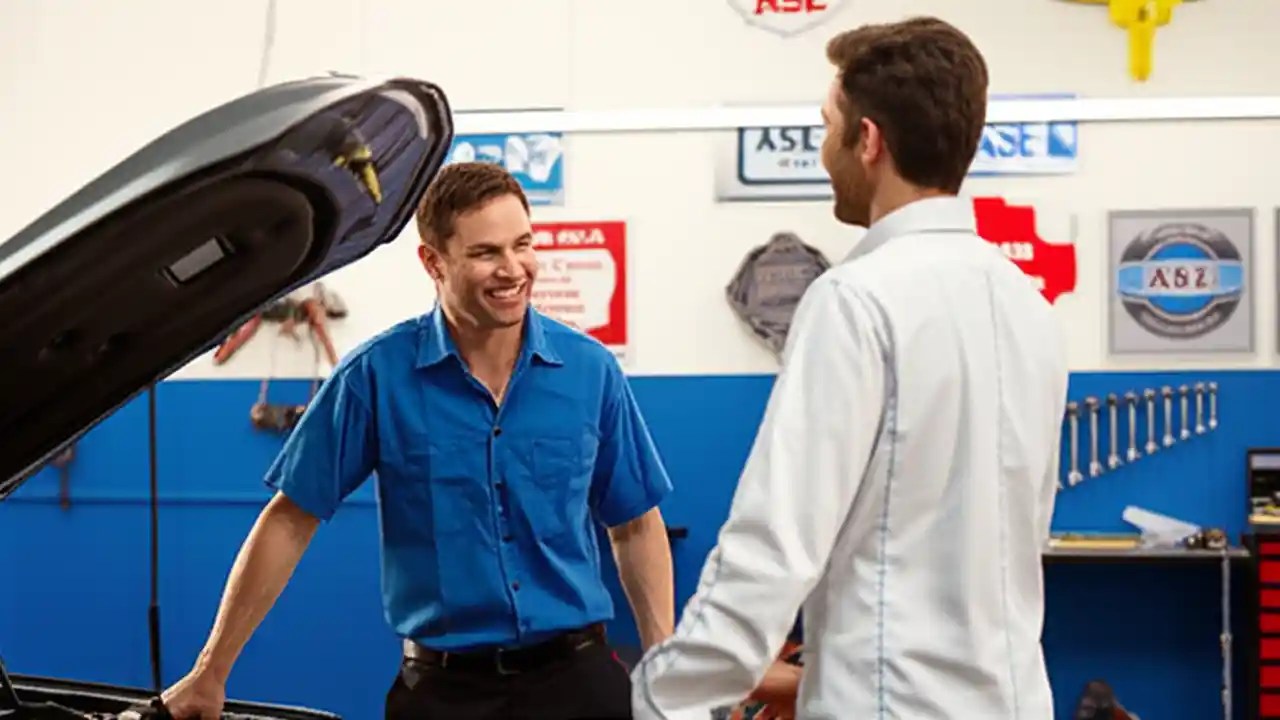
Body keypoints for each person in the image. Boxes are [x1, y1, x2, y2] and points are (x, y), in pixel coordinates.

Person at [631, 15, 1069, 720]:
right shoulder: (1030, 306)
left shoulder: (856, 299)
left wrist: (665, 696)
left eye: (827, 125)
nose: (822, 148)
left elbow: (775, 540)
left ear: (868, 141)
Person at [160, 161, 677, 720]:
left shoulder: (589, 370)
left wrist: (668, 668)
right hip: (445, 695)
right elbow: (289, 520)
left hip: (580, 683)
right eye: (485, 253)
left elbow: (635, 524)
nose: (513, 269)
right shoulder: (375, 378)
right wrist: (211, 671)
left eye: (522, 244)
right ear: (433, 261)